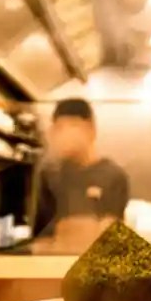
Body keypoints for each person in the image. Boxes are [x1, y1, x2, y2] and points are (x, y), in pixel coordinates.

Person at [32, 98, 130, 253]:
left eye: (72, 126)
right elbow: (41, 239)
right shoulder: (49, 175)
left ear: (91, 130)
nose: (64, 135)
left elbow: (110, 236)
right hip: (54, 270)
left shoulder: (113, 175)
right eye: (59, 128)